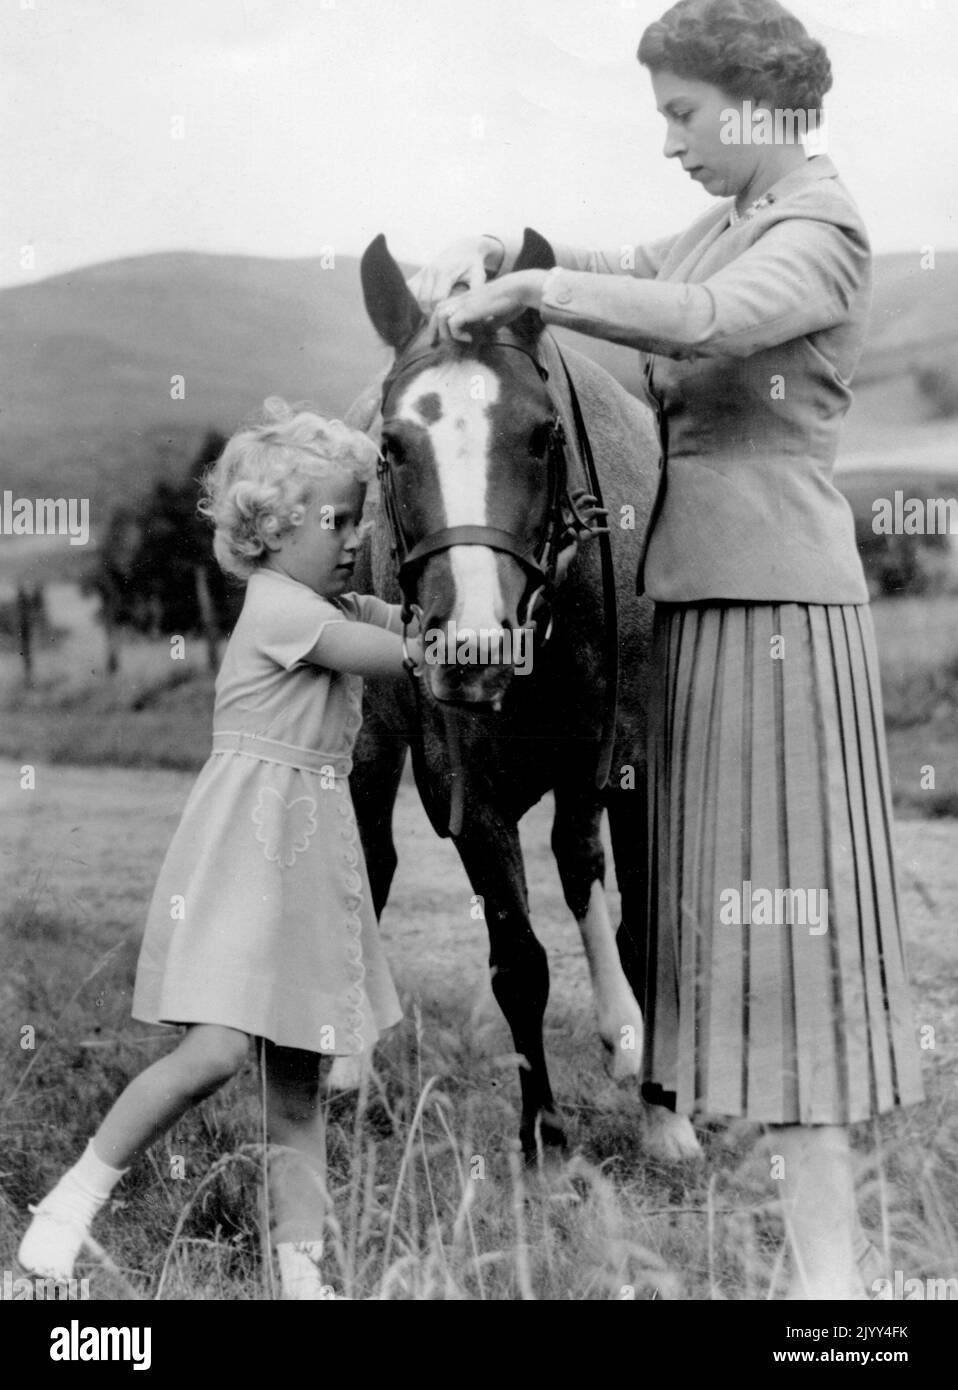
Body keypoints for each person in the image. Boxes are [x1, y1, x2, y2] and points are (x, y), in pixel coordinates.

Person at [410, 0, 924, 1300]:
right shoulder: (735, 215)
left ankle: (832, 1283)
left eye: (681, 115)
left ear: (753, 104)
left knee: (789, 927)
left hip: (775, 618)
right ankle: (813, 1258)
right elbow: (646, 256)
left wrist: (535, 288)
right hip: (702, 608)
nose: (669, 145)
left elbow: (694, 313)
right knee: (725, 930)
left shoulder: (818, 226)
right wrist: (525, 243)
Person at [18, 399, 424, 1300]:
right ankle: (68, 1207)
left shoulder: (330, 600)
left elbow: (412, 627)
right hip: (249, 853)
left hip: (310, 861)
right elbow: (403, 655)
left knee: (300, 1083)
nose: (354, 536)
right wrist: (450, 646)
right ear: (273, 530)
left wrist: (491, 627)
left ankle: (300, 1272)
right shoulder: (283, 610)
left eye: (360, 517)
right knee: (214, 1053)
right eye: (335, 520)